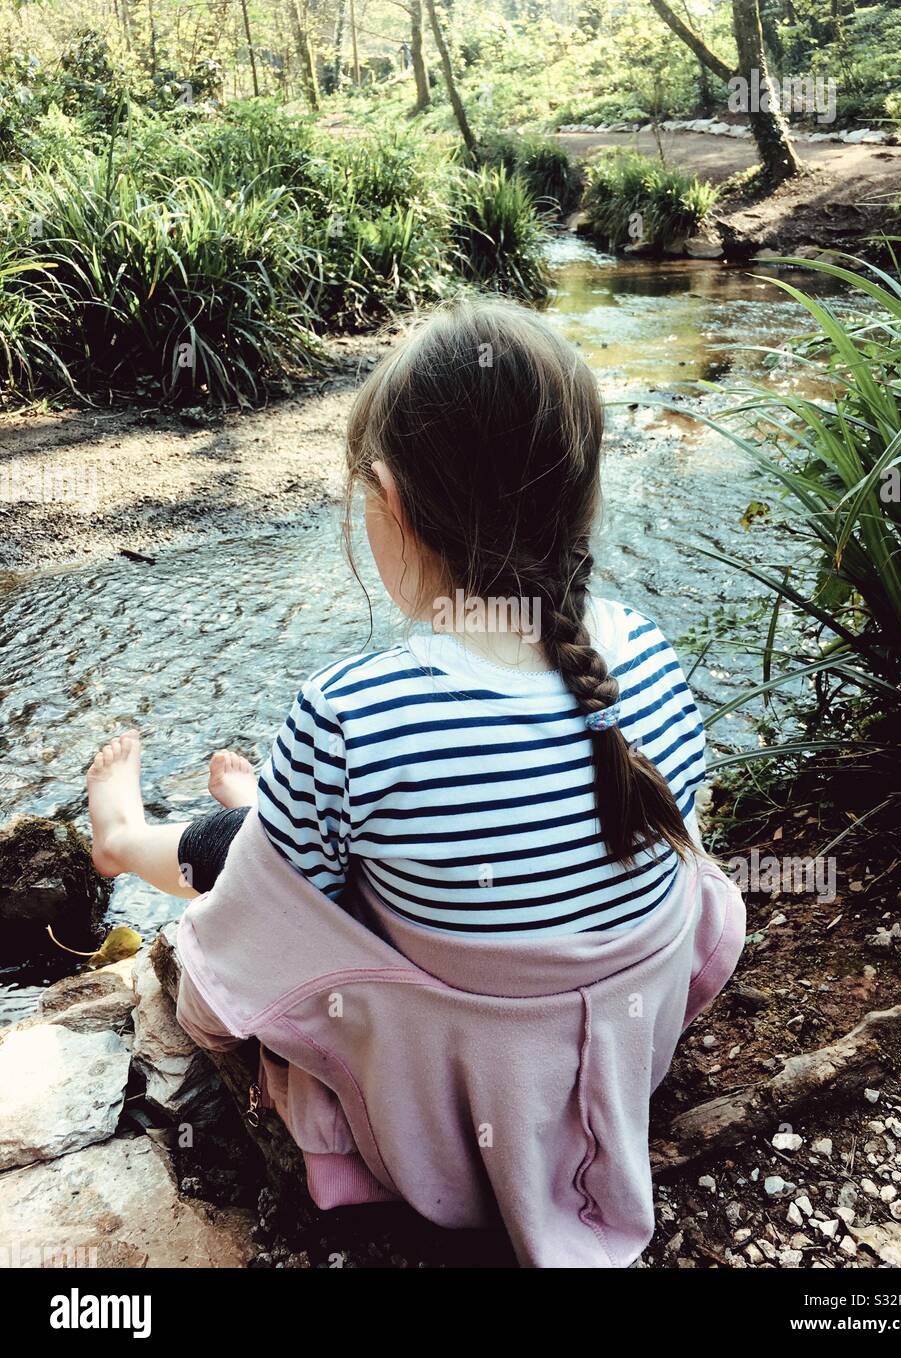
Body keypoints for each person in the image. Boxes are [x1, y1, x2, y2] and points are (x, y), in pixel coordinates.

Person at [87, 299, 745, 1267]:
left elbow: (236, 962)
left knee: (246, 861)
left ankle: (126, 839)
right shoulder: (643, 648)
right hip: (617, 1058)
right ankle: (270, 810)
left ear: (389, 500)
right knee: (325, 827)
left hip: (452, 1106)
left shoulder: (355, 711)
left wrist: (207, 986)